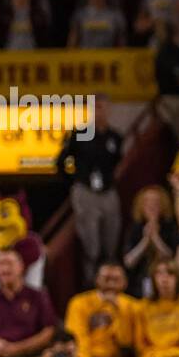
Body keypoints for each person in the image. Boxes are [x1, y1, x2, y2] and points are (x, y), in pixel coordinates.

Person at [57, 95, 124, 283]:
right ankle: (90, 283)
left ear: (109, 110)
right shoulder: (80, 134)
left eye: (102, 107)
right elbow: (61, 161)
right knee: (91, 244)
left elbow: (118, 162)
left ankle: (112, 281)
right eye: (96, 108)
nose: (99, 111)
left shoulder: (115, 137)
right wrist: (75, 180)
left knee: (111, 239)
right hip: (85, 190)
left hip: (108, 191)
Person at [64, 260, 138, 357]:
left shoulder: (132, 306)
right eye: (106, 278)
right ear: (96, 279)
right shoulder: (79, 302)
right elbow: (76, 337)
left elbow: (127, 343)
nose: (111, 284)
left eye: (116, 279)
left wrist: (118, 312)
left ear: (125, 282)